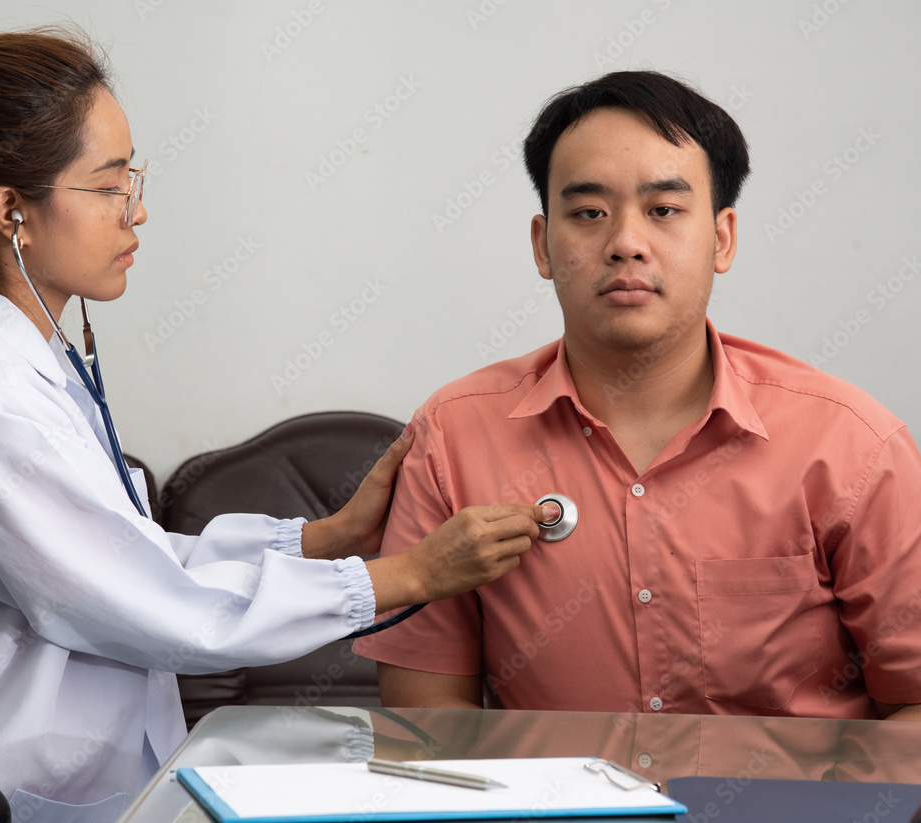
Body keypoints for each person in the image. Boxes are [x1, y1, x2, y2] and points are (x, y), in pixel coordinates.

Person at [0, 29, 555, 821]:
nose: (138, 210)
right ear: (12, 210)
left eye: (133, 178)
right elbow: (155, 605)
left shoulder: (13, 355)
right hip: (0, 791)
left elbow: (124, 554)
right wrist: (413, 574)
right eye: (110, 185)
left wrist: (326, 537)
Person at [354, 71, 921, 722]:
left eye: (664, 210)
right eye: (589, 212)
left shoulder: (850, 444)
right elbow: (426, 727)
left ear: (722, 238)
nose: (625, 242)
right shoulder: (455, 437)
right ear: (542, 244)